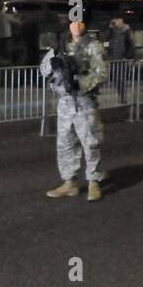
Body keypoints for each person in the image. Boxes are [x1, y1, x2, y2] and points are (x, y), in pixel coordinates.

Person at [40, 18, 108, 201]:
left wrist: (79, 82)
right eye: (73, 23)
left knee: (91, 142)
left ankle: (94, 181)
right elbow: (44, 68)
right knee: (65, 143)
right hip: (65, 103)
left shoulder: (94, 46)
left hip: (85, 101)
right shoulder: (59, 46)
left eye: (80, 23)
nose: (76, 27)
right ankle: (70, 182)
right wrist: (55, 73)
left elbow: (102, 73)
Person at [107, 16, 134, 103]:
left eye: (118, 20)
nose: (116, 23)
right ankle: (121, 96)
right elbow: (106, 38)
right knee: (116, 78)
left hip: (122, 59)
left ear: (122, 21)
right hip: (113, 59)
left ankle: (123, 97)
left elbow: (130, 45)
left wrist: (127, 56)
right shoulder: (113, 30)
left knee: (120, 78)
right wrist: (110, 28)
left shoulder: (127, 31)